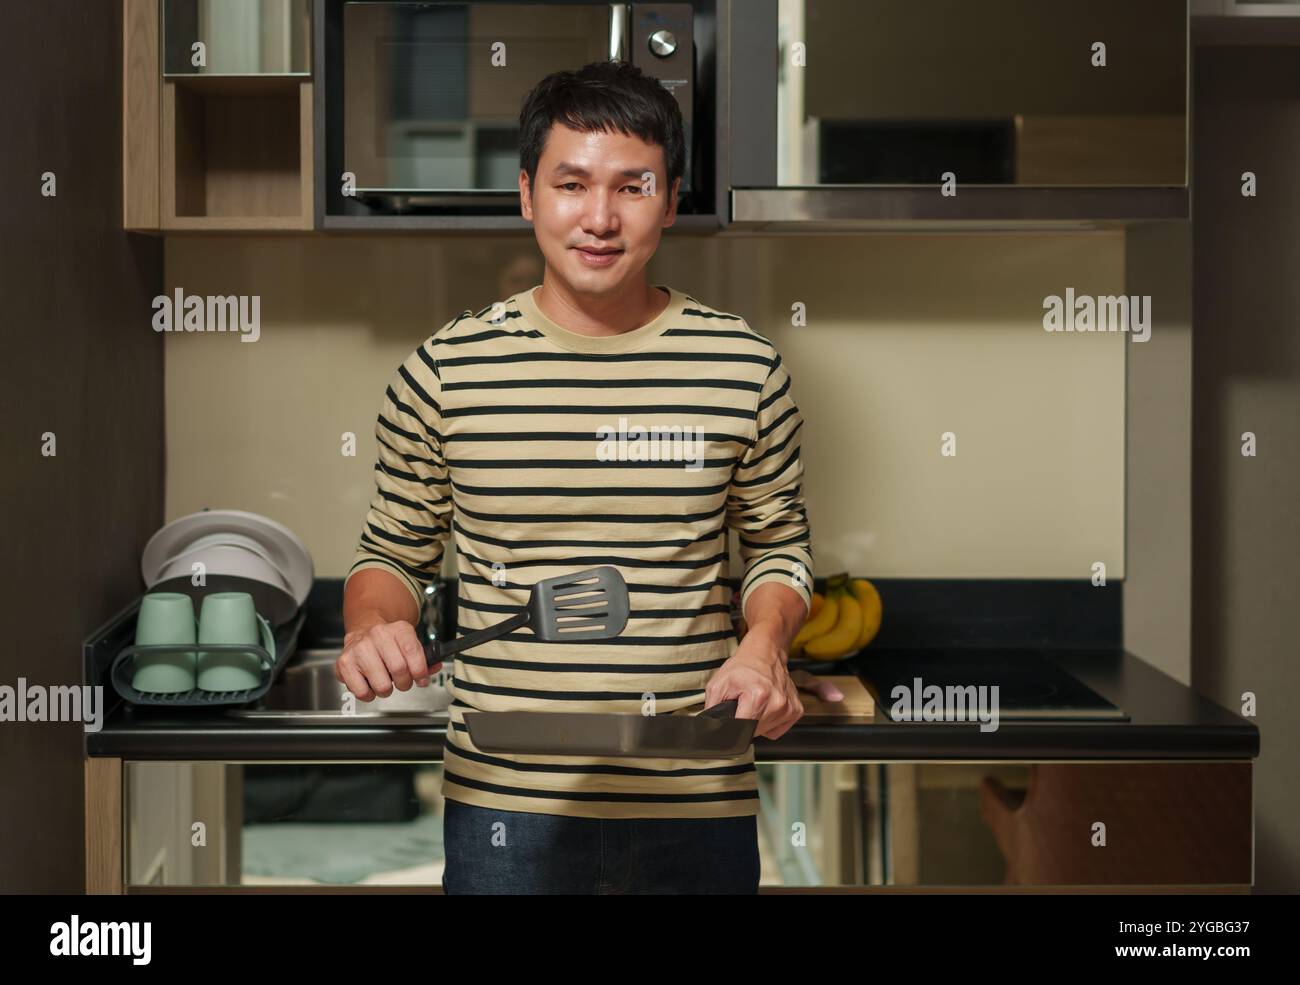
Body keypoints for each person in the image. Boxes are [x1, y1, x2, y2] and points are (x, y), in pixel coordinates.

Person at [337, 60, 813, 894]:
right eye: (571, 183)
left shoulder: (743, 365)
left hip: (697, 796)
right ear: (527, 195)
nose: (600, 217)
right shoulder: (445, 372)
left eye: (633, 186)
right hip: (502, 806)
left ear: (670, 201)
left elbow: (780, 551)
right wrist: (373, 625)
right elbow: (392, 558)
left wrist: (764, 644)